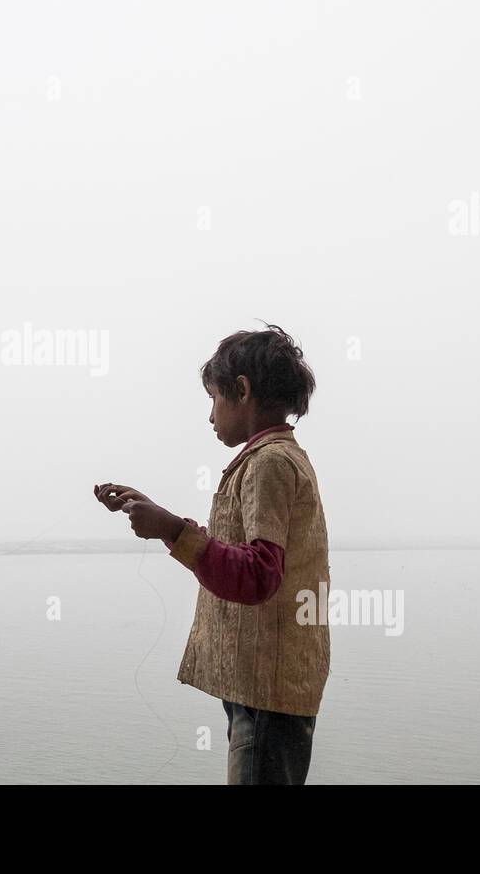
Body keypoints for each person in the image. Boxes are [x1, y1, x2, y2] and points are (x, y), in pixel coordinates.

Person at [94, 324, 330, 784]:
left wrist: (170, 528)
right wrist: (164, 522)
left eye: (213, 399)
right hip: (268, 687)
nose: (210, 416)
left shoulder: (269, 463)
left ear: (241, 390)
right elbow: (243, 551)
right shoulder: (274, 457)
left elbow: (259, 575)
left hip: (268, 692)